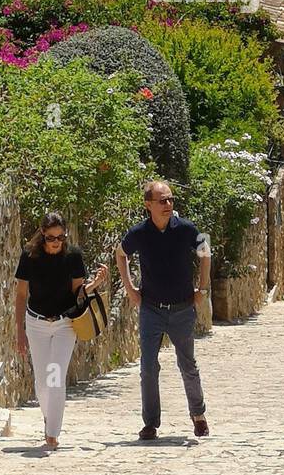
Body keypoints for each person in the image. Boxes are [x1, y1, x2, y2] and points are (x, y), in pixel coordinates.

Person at [116, 181, 210, 441]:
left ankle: (198, 415)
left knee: (187, 363)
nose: (168, 205)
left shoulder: (187, 228)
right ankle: (151, 423)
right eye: (162, 201)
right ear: (149, 205)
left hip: (182, 307)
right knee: (148, 366)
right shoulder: (139, 233)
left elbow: (205, 252)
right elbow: (120, 253)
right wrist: (130, 288)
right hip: (151, 309)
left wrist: (202, 289)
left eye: (170, 200)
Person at [15, 212, 109, 450]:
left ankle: (52, 433)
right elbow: (21, 295)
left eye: (60, 237)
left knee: (55, 377)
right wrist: (19, 331)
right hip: (36, 323)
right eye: (50, 238)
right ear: (42, 235)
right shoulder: (29, 256)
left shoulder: (73, 256)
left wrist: (95, 284)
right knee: (42, 381)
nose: (56, 242)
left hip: (64, 324)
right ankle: (49, 418)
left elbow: (77, 293)